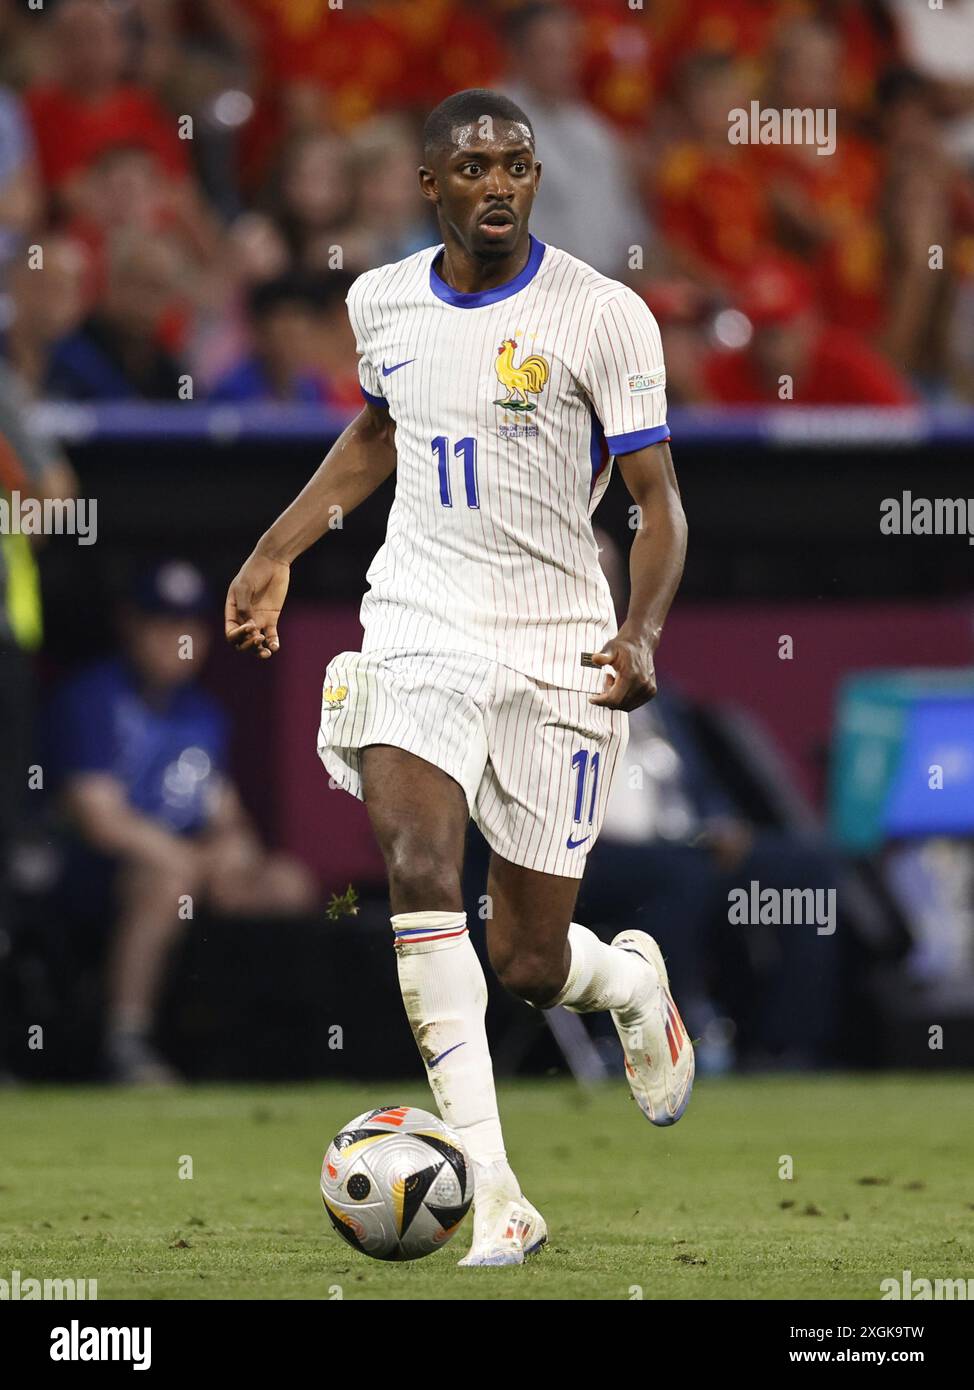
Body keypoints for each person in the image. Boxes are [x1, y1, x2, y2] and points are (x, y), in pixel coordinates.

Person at [226, 88, 691, 1266]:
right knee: (420, 869)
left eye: (516, 166)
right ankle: (497, 1192)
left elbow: (656, 502)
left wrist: (638, 630)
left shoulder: (601, 314)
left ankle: (629, 984)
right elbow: (379, 430)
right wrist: (276, 551)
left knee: (528, 963)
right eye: (474, 166)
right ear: (428, 184)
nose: (498, 184)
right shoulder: (380, 300)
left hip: (555, 642)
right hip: (418, 620)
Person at [49, 560, 317, 1085]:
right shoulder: (92, 698)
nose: (180, 640)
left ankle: (270, 1050)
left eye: (191, 625)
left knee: (286, 883)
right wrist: (189, 861)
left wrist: (233, 855)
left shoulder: (204, 713)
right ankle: (125, 1042)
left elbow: (226, 816)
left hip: (189, 865)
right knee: (168, 879)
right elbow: (100, 821)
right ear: (131, 625)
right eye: (164, 624)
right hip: (98, 876)